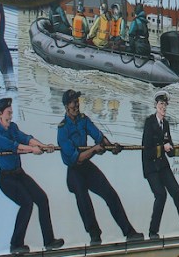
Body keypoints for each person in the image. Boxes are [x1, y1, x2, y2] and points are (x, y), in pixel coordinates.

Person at [57, 89, 143, 246]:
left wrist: (111, 147)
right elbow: (76, 159)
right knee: (83, 199)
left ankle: (129, 232)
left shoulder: (84, 119)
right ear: (66, 106)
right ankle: (94, 235)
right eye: (73, 102)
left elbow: (98, 137)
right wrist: (95, 150)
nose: (76, 105)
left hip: (87, 167)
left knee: (110, 194)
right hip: (75, 170)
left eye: (77, 101)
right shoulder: (62, 129)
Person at [0, 98, 64, 255]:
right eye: (8, 113)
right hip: (7, 179)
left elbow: (25, 138)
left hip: (19, 174)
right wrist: (32, 150)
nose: (11, 116)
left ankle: (49, 241)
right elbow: (14, 147)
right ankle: (15, 244)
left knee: (42, 199)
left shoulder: (13, 127)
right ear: (0, 114)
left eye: (11, 112)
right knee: (27, 204)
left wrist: (43, 145)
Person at [141, 91, 179, 239]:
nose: (163, 107)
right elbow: (147, 151)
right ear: (155, 106)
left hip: (163, 166)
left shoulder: (165, 124)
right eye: (161, 104)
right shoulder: (149, 122)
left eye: (165, 105)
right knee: (161, 195)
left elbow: (171, 152)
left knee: (177, 192)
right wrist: (162, 148)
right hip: (151, 168)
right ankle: (153, 232)